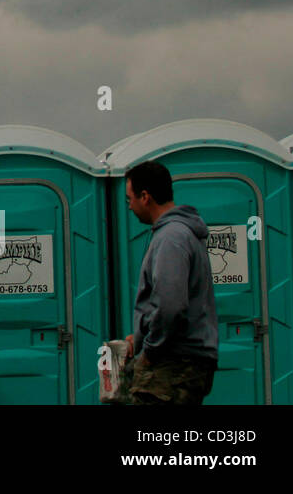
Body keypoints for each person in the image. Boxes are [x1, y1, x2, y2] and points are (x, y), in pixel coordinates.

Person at [117, 160, 218, 405]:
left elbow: (171, 306)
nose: (128, 206)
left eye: (129, 198)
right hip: (185, 360)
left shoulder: (171, 237)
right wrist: (140, 335)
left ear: (145, 196)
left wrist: (150, 350)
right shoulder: (182, 233)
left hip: (172, 364)